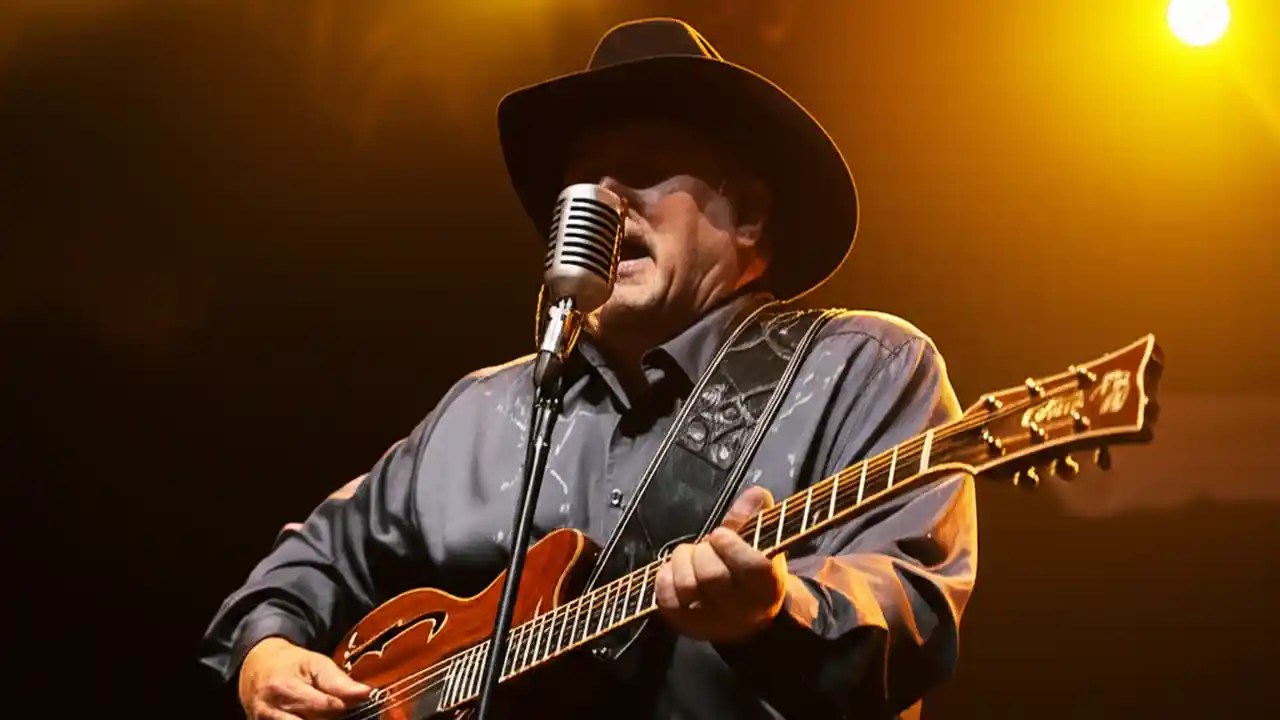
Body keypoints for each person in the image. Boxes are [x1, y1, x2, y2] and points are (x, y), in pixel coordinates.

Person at [200, 18, 977, 720]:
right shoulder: (479, 410)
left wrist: (775, 613)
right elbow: (311, 557)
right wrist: (264, 651)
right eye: (584, 184)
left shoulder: (862, 367)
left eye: (641, 171)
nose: (602, 200)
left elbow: (915, 610)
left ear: (749, 216)